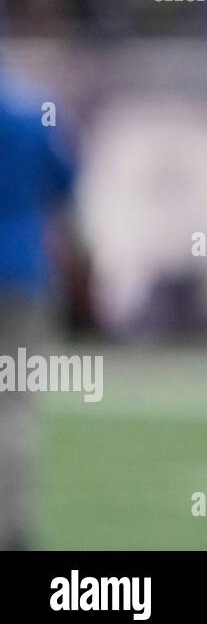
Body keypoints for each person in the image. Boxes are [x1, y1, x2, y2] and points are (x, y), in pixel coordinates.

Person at [0, 71, 76, 550]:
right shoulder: (31, 114)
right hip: (22, 276)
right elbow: (65, 183)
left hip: (24, 276)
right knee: (13, 410)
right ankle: (12, 528)